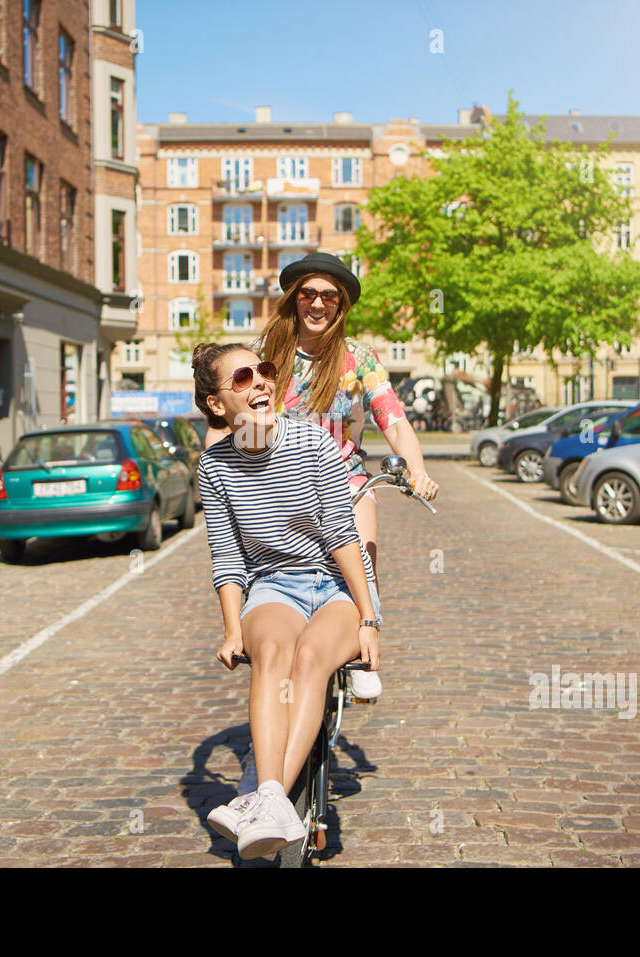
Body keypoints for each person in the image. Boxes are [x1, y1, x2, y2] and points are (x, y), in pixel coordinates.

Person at [203, 253, 438, 698]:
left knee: (363, 545)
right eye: (308, 293)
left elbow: (393, 418)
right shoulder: (265, 355)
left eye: (329, 296)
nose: (318, 304)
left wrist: (416, 468)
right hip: (277, 478)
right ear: (294, 299)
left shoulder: (358, 359)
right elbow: (228, 419)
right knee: (260, 562)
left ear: (341, 306)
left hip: (345, 478)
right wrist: (218, 469)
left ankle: (364, 645)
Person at [193, 342, 382, 860]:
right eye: (242, 378)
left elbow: (343, 536)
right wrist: (233, 629)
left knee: (310, 659)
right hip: (273, 584)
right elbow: (227, 556)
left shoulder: (313, 443)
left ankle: (265, 796)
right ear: (215, 404)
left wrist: (369, 618)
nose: (260, 382)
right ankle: (275, 799)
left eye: (265, 372)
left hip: (334, 586)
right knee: (271, 654)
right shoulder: (213, 466)